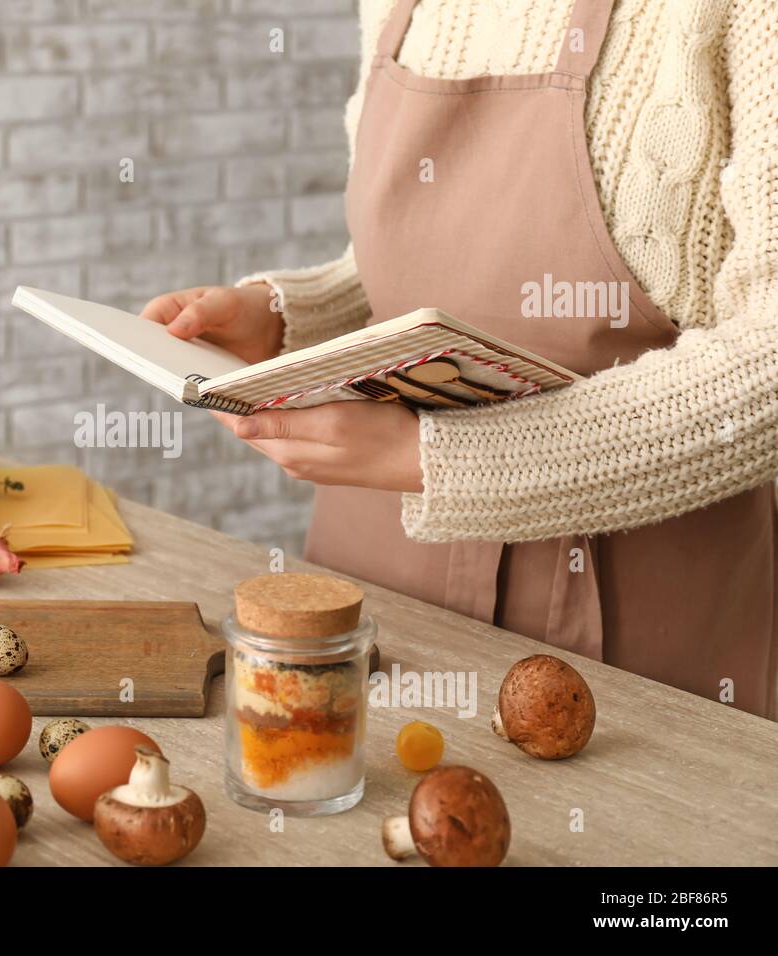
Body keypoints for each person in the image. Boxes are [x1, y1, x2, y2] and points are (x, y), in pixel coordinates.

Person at [141, 0, 778, 718]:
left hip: (648, 608)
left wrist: (449, 458)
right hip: (379, 570)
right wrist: (288, 316)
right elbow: (425, 260)